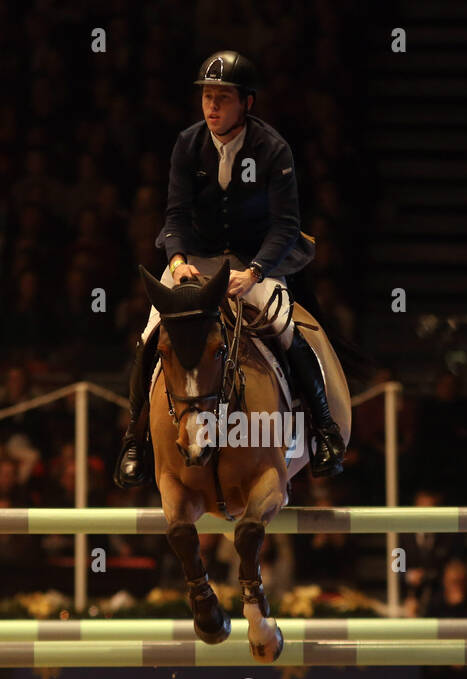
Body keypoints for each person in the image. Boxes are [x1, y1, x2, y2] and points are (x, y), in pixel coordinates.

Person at [114, 50, 345, 488]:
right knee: (149, 335)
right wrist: (178, 261)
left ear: (248, 103)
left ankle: (325, 429)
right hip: (195, 260)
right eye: (207, 98)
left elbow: (286, 225)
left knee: (283, 327)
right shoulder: (187, 143)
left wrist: (254, 272)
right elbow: (176, 215)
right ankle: (134, 439)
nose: (212, 107)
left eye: (223, 98)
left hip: (255, 260)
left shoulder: (273, 148)